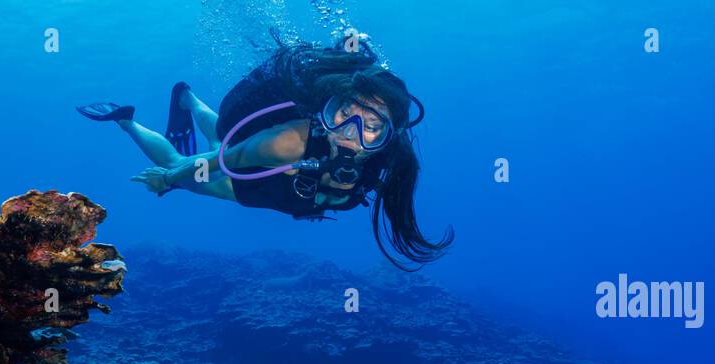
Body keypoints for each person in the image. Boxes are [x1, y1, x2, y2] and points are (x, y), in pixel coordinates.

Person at [76, 33, 452, 269]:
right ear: (328, 110)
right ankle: (125, 121)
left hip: (291, 195)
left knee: (220, 141)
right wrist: (169, 178)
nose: (351, 136)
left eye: (371, 128)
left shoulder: (394, 161)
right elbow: (222, 161)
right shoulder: (288, 142)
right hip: (260, 185)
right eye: (343, 116)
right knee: (185, 166)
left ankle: (188, 100)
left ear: (389, 136)